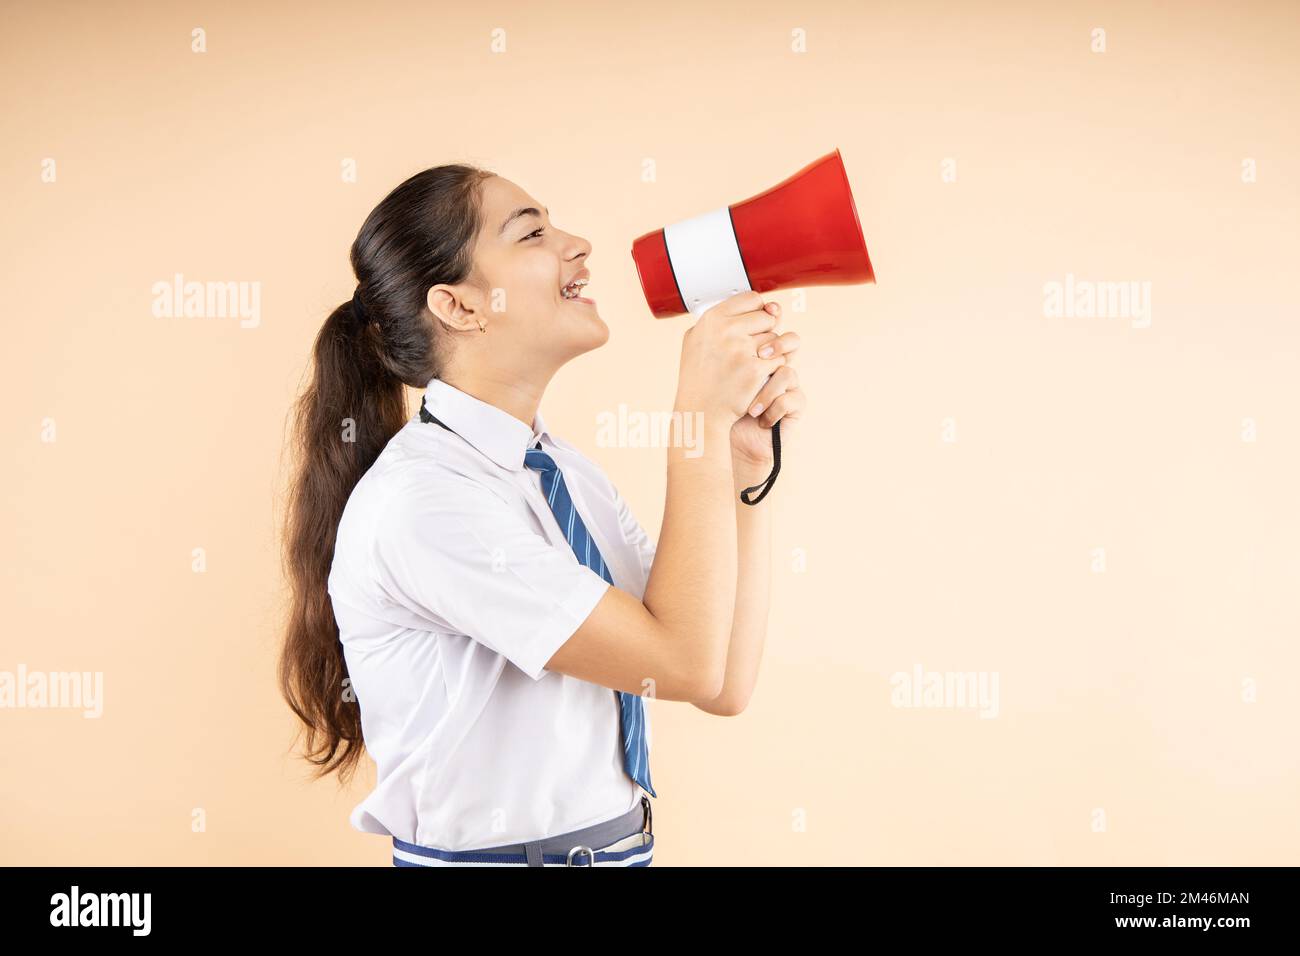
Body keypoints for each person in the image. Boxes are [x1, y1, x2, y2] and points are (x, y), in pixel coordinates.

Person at [279, 163, 805, 866]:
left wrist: (741, 475)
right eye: (532, 233)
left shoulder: (562, 474)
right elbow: (681, 663)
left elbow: (722, 679)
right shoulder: (426, 503)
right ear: (460, 306)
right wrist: (697, 422)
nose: (578, 244)